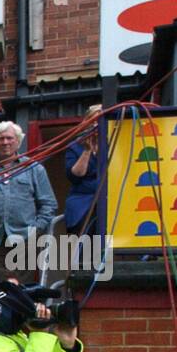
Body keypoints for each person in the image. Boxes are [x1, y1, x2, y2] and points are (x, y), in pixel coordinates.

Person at [0, 121, 57, 283]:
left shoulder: (34, 168)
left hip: (25, 241)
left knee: (21, 289)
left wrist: (35, 231)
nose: (5, 142)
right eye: (0, 139)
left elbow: (49, 204)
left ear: (18, 141)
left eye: (9, 138)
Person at [63, 105, 102, 272]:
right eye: (93, 120)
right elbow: (76, 175)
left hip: (109, 201)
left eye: (101, 120)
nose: (97, 124)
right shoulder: (75, 146)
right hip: (82, 203)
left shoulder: (115, 142)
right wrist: (87, 151)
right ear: (86, 123)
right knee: (84, 251)